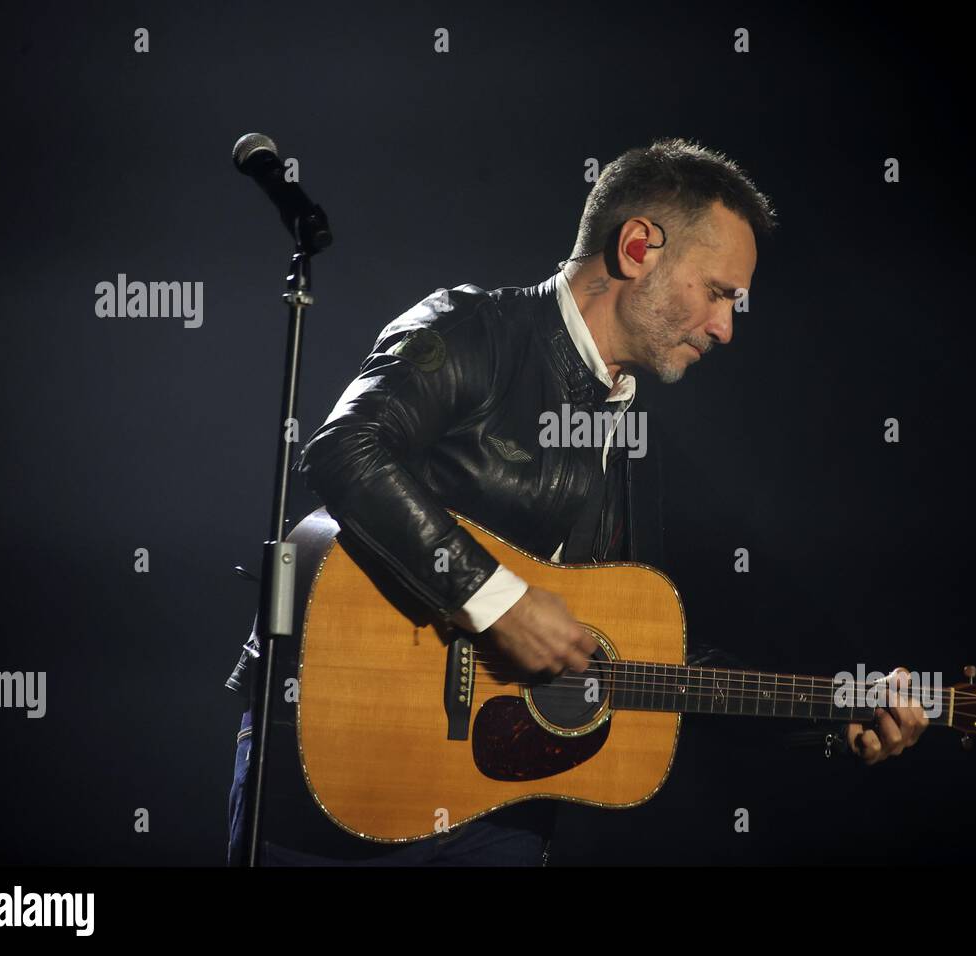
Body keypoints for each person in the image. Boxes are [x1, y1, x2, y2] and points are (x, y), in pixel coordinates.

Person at [224, 137, 926, 866]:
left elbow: (648, 660)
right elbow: (344, 449)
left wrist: (833, 712)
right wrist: (497, 605)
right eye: (719, 292)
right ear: (637, 247)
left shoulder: (634, 444)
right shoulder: (473, 331)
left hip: (500, 806)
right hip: (338, 756)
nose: (726, 328)